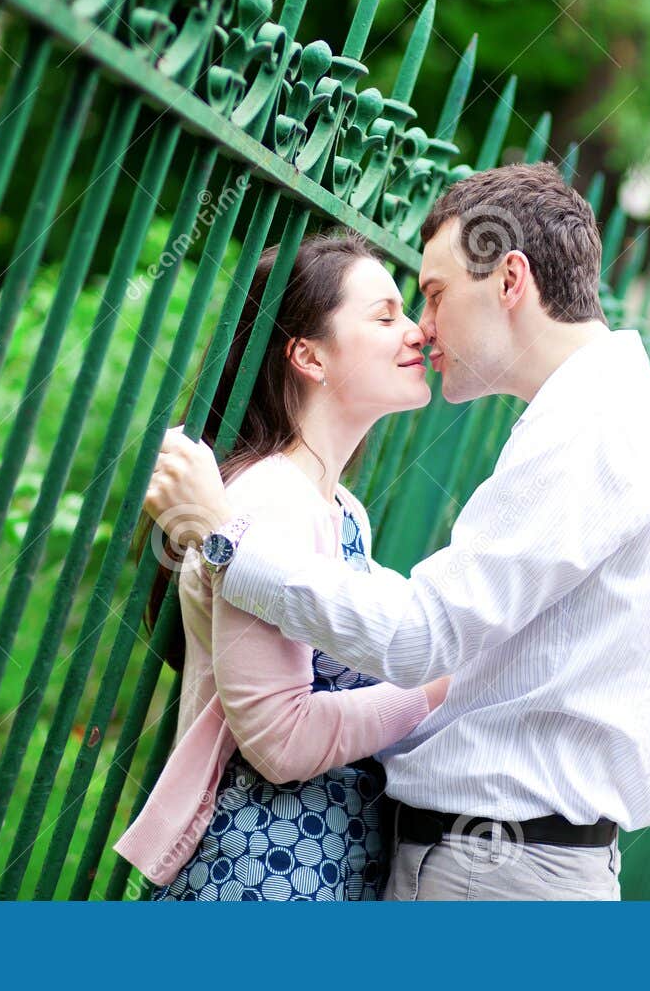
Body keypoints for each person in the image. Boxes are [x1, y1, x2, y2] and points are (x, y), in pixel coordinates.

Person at [146, 162, 650, 900]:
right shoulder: (618, 414)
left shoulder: (591, 430)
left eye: (435, 293)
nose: (424, 325)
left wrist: (227, 542)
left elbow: (419, 635)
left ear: (510, 280)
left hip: (496, 873)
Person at [115, 234, 451, 900]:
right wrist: (434, 690)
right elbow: (281, 740)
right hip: (257, 875)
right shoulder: (270, 498)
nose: (416, 330)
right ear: (309, 355)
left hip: (318, 865)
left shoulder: (342, 508)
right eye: (384, 316)